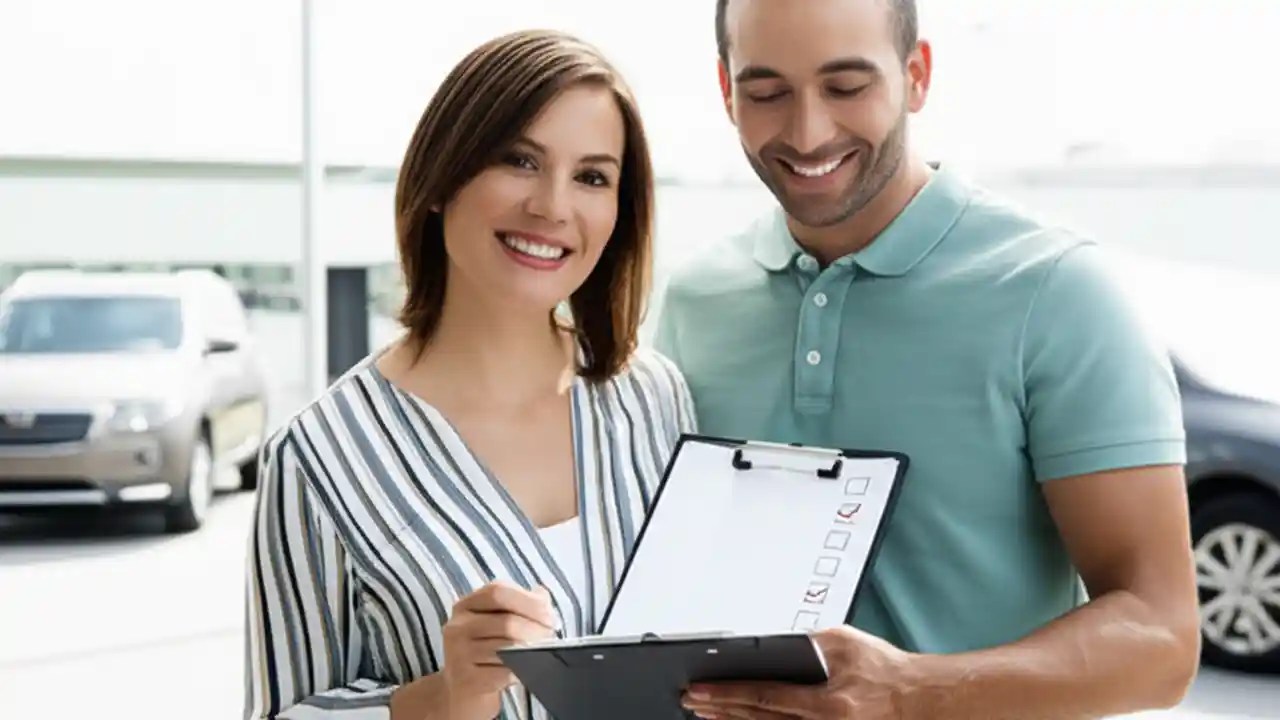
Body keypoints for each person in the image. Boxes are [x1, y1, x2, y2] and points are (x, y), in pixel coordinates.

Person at [658, 1, 1202, 718]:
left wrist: (911, 693)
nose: (807, 131)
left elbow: (1161, 636)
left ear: (916, 76)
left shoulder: (1056, 291)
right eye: (766, 93)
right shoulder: (697, 300)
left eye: (847, 86)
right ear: (727, 93)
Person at [244, 29, 695, 720]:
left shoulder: (652, 397)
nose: (552, 206)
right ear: (439, 179)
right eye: (518, 160)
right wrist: (444, 697)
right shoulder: (319, 457)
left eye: (592, 177)